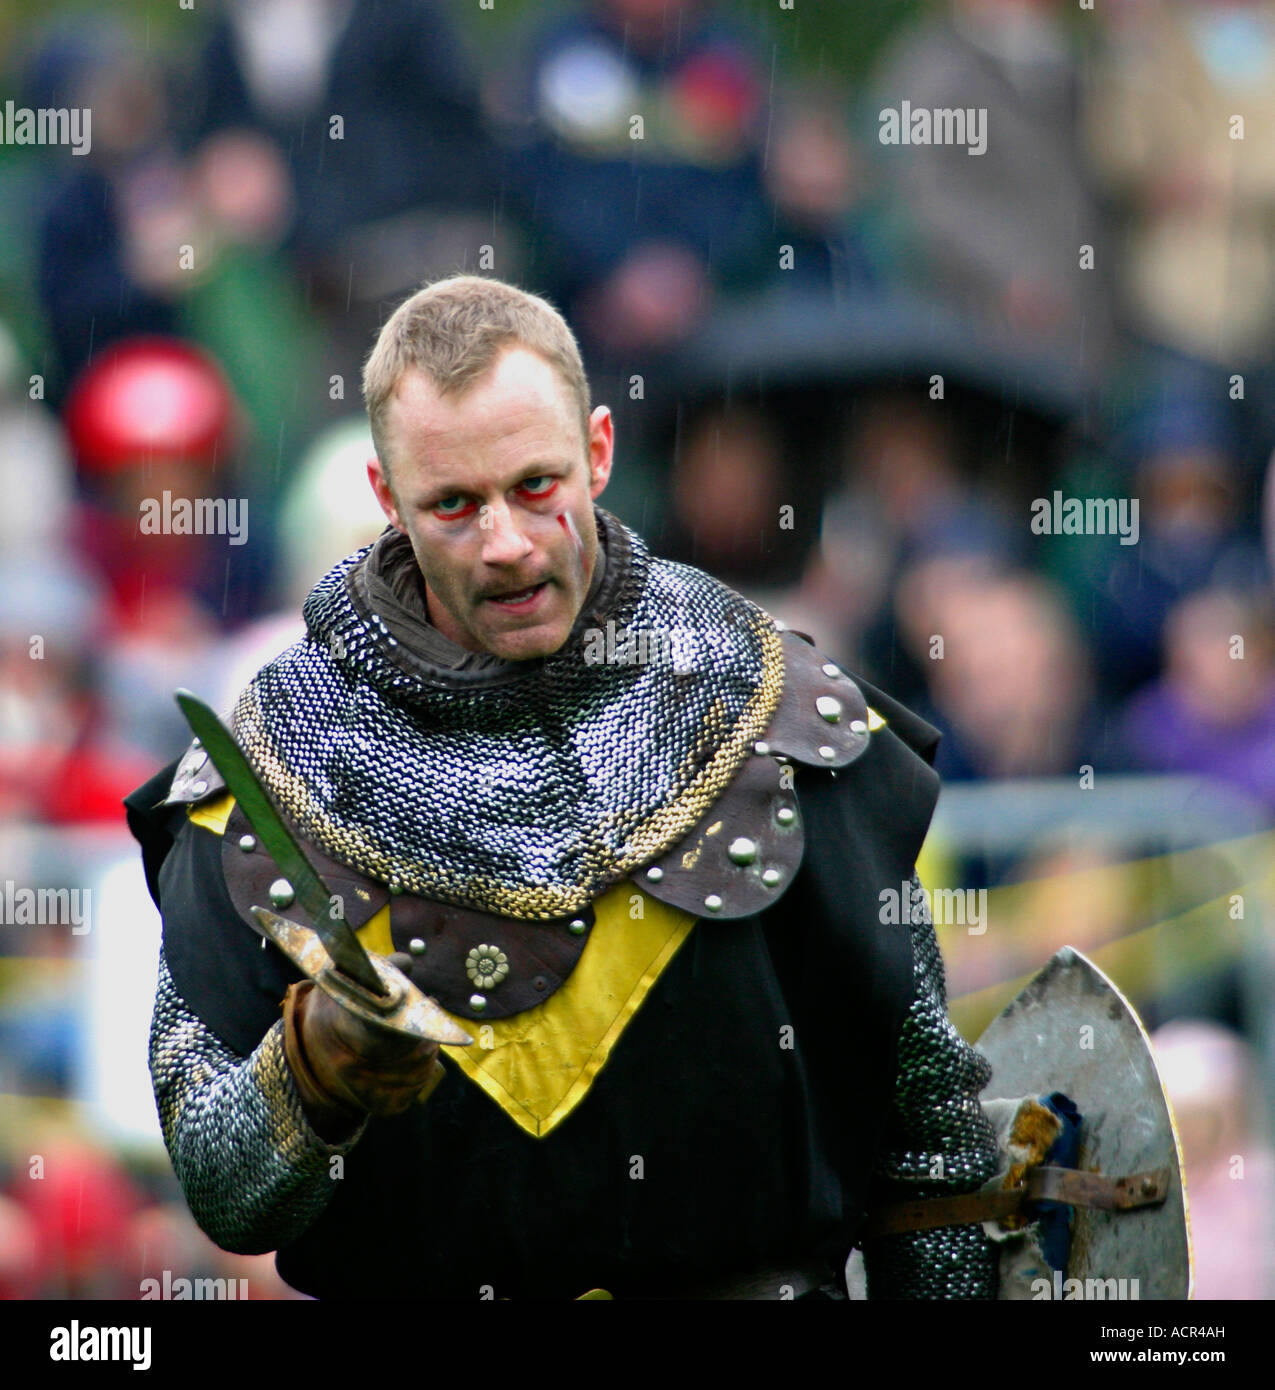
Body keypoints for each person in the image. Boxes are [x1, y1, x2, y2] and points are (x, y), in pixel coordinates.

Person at [126, 275, 1000, 1300]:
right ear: (385, 499)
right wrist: (314, 1067)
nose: (504, 542)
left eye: (535, 486)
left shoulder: (771, 707)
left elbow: (931, 1146)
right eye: (452, 503)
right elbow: (224, 1193)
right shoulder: (267, 771)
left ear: (597, 452)